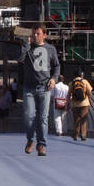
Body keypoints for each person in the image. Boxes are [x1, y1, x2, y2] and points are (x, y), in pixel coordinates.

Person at [19, 24, 60, 156]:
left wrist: (54, 78)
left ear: (44, 35)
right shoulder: (28, 48)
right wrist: (26, 45)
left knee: (43, 118)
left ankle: (41, 145)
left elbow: (56, 66)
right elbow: (19, 59)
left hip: (44, 87)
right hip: (29, 88)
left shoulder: (51, 49)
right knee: (29, 116)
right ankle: (30, 140)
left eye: (37, 34)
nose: (35, 36)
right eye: (33, 34)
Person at [69, 69, 93, 141]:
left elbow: (69, 93)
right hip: (85, 103)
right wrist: (88, 98)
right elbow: (90, 91)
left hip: (75, 104)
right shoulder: (85, 81)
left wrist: (69, 102)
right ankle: (83, 135)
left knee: (76, 120)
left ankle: (75, 135)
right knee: (83, 120)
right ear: (81, 75)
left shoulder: (71, 83)